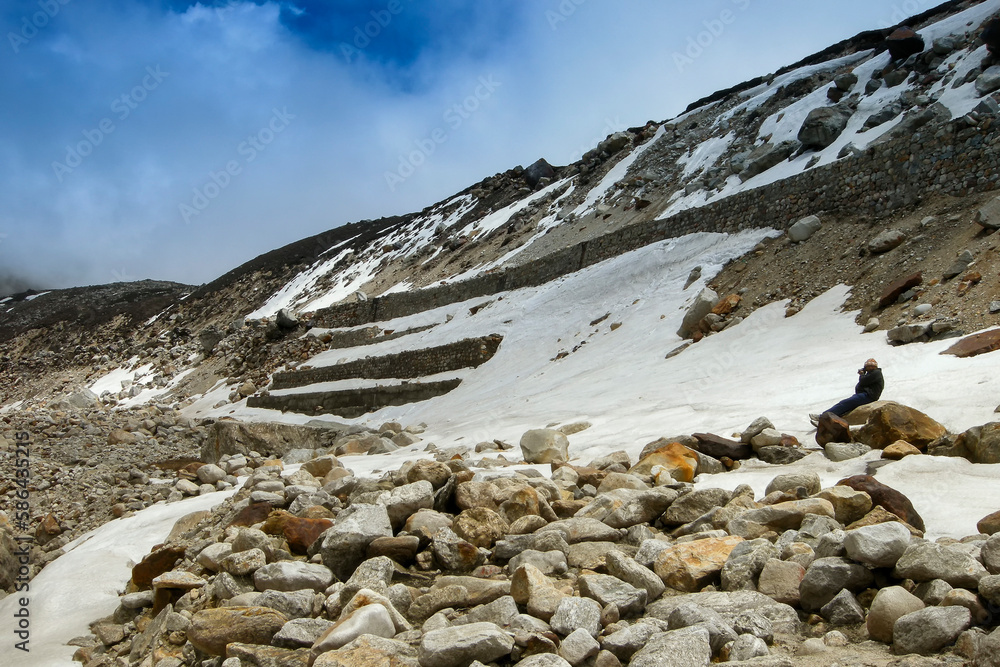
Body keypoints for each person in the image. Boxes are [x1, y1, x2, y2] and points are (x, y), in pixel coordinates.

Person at [810, 358, 884, 425]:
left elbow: (863, 381)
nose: (870, 368)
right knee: (846, 406)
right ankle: (826, 419)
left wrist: (862, 374)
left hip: (869, 396)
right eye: (868, 366)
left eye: (871, 366)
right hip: (866, 395)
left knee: (844, 404)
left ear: (875, 367)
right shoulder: (871, 374)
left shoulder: (876, 373)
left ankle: (823, 417)